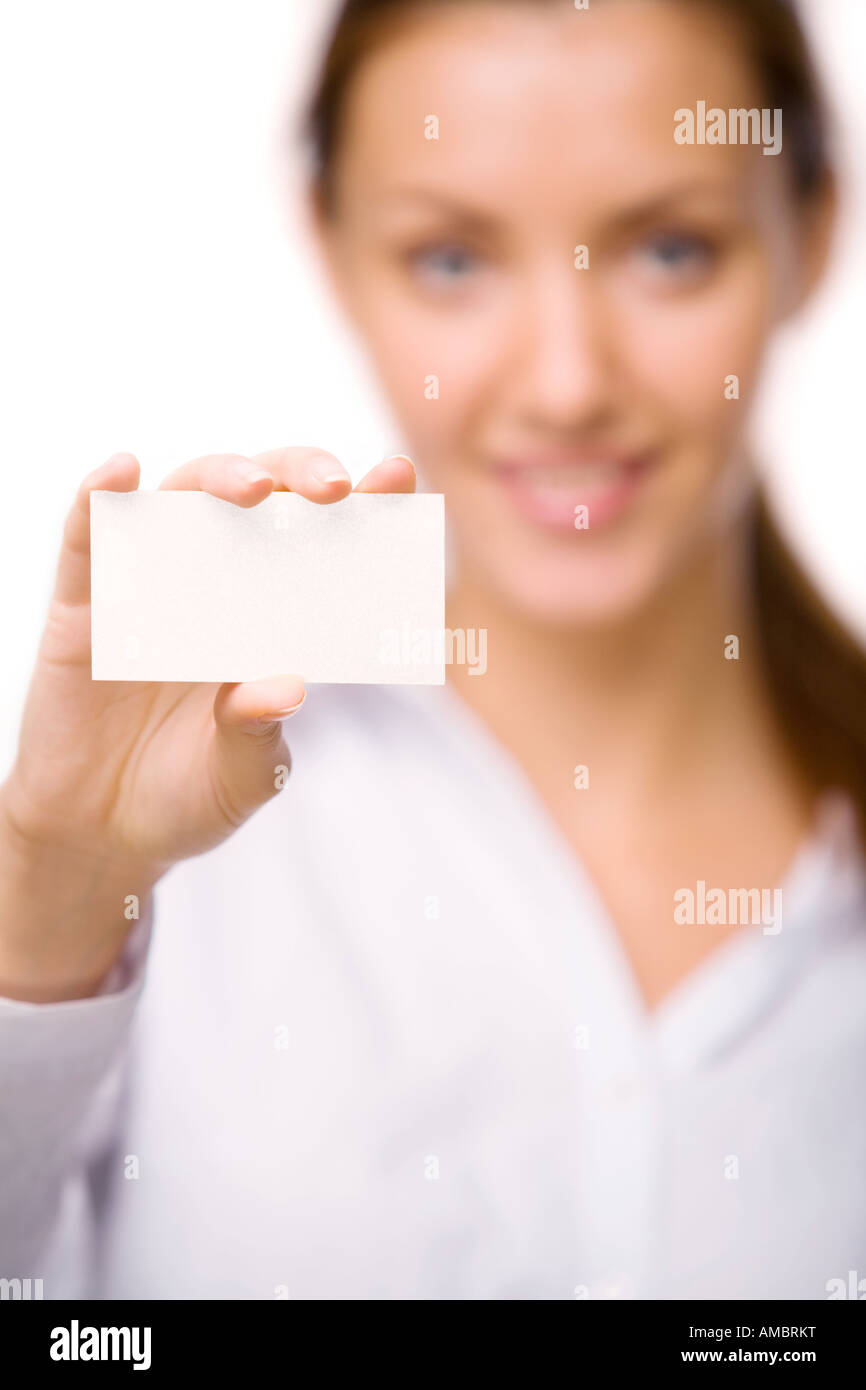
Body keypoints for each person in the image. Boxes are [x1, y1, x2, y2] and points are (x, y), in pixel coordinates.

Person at [1, 0, 865, 1300]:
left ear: (811, 235)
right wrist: (50, 898)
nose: (568, 382)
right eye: (451, 261)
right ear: (334, 256)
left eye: (670, 249)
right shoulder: (167, 826)